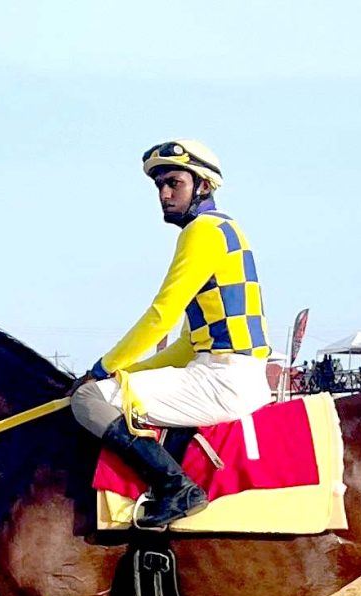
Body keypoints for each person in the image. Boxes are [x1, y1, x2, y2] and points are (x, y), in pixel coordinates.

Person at [71, 139, 272, 528]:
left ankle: (176, 487)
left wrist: (102, 370)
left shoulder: (202, 231)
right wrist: (128, 373)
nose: (164, 194)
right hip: (228, 372)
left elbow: (161, 316)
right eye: (159, 185)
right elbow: (183, 344)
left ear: (204, 186)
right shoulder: (227, 230)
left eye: (174, 182)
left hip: (222, 379)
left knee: (87, 400)